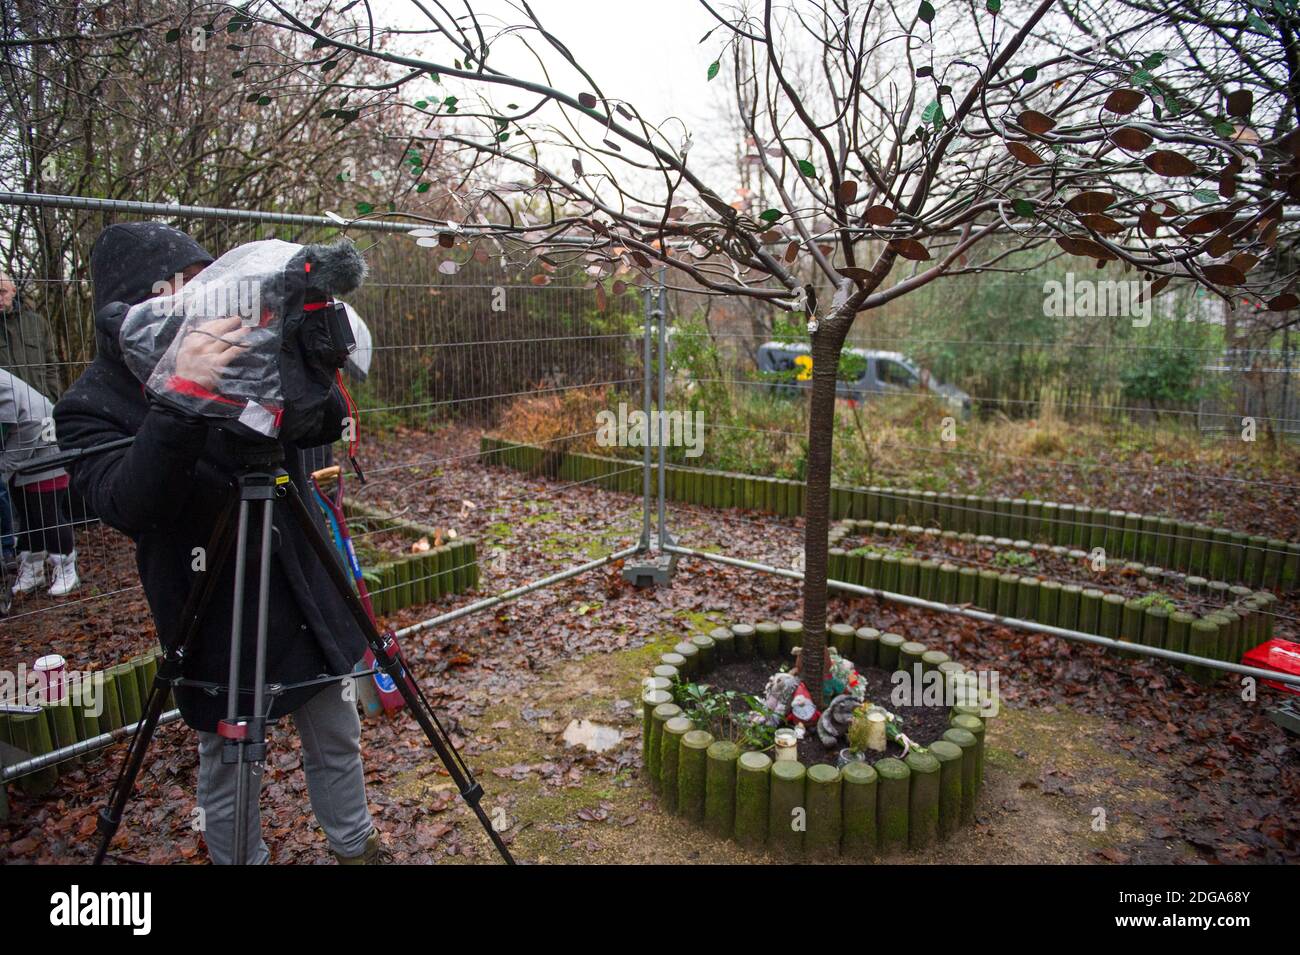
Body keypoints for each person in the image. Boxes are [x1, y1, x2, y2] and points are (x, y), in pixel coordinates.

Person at [54, 223, 381, 864]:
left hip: (299, 577)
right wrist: (183, 394)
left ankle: (357, 847)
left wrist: (310, 362)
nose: (206, 300)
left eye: (210, 282)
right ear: (140, 298)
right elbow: (128, 505)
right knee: (231, 757)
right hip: (212, 600)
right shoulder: (93, 401)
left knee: (336, 724)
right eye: (184, 287)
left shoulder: (252, 351)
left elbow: (314, 433)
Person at [0, 269, 61, 571]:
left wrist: (54, 400)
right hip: (7, 421)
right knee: (15, 493)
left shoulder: (35, 324)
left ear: (14, 291)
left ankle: (62, 557)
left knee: (46, 494)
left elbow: (52, 365)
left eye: (2, 291)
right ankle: (27, 559)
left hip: (43, 413)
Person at [0, 369, 78, 597]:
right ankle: (33, 570)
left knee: (47, 513)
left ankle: (66, 568)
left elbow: (31, 422)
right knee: (28, 513)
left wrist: (4, 465)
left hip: (44, 442)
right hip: (20, 450)